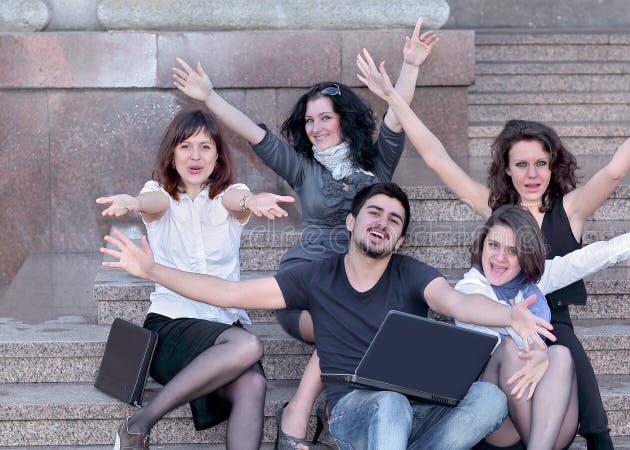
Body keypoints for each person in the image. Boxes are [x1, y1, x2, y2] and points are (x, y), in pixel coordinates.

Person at [355, 53, 630, 449]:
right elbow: (438, 158)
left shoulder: (567, 216)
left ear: (551, 166)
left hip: (551, 321)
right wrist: (394, 96)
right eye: (522, 164)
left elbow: (611, 192)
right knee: (519, 351)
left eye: (541, 164)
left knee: (567, 360)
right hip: (505, 337)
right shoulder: (493, 230)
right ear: (507, 170)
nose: (532, 174)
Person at [100, 182, 560, 450]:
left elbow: (458, 303)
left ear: (400, 240)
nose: (382, 222)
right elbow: (228, 291)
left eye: (394, 220)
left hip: (420, 411)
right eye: (373, 213)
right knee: (389, 402)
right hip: (352, 412)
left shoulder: (412, 273)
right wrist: (151, 269)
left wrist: (508, 316)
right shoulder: (315, 277)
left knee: (489, 400)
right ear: (351, 223)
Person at [171, 18, 438, 449]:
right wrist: (210, 97)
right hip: (308, 278)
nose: (315, 128)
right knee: (346, 320)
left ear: (343, 121)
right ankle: (313, 412)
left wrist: (410, 68)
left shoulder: (377, 164)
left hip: (368, 275)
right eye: (309, 120)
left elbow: (396, 118)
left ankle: (318, 414)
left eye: (324, 118)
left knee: (366, 318)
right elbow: (253, 134)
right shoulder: (302, 167)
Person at [95, 108, 294, 450]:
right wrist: (133, 202)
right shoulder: (158, 195)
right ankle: (141, 422)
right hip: (172, 327)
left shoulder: (230, 196)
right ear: (172, 154)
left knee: (254, 385)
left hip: (223, 329)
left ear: (218, 155)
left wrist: (253, 200)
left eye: (205, 146)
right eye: (186, 146)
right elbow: (152, 202)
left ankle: (137, 423)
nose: (195, 155)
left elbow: (237, 199)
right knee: (248, 345)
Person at [454, 203, 630, 450]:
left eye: (512, 251)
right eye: (494, 246)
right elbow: (475, 309)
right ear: (482, 245)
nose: (500, 258)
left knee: (560, 353)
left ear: (525, 256)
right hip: (498, 425)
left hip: (545, 424)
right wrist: (523, 335)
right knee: (510, 349)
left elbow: (603, 253)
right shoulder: (470, 287)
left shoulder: (534, 282)